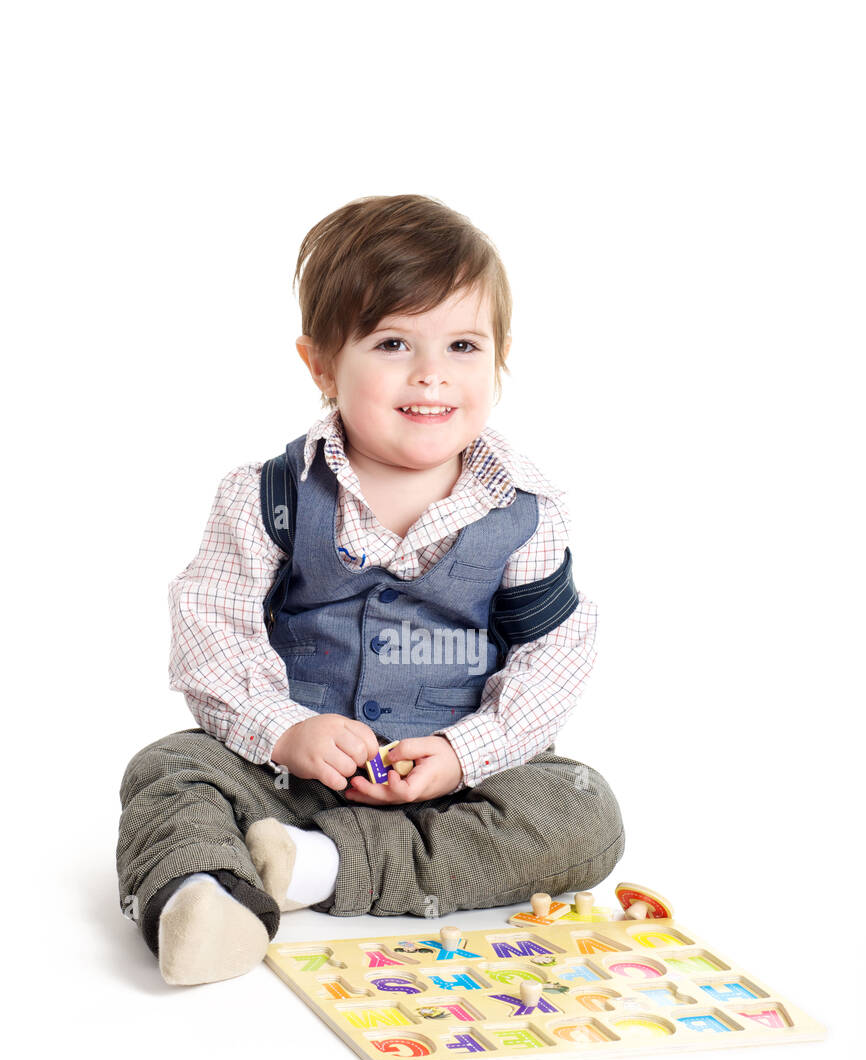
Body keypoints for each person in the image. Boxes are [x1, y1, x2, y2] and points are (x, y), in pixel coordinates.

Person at [116, 193, 625, 986]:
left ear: (500, 357)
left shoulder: (524, 512)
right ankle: (202, 895)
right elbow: (211, 627)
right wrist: (285, 730)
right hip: (290, 775)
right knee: (167, 770)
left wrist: (466, 753)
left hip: (451, 784)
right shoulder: (272, 494)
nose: (432, 375)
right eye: (393, 342)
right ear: (320, 364)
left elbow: (554, 653)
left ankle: (313, 868)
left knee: (583, 811)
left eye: (462, 344)